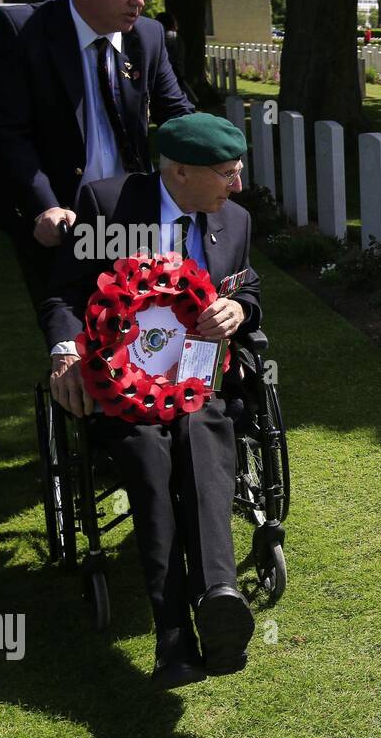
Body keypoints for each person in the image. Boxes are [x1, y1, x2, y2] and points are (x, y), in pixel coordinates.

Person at [41, 114, 260, 689]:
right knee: (146, 450)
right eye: (227, 174)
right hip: (125, 385)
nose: (237, 186)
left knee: (204, 426)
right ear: (180, 172)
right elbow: (64, 290)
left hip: (198, 380)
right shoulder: (109, 205)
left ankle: (218, 594)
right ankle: (171, 631)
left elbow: (247, 285)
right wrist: (67, 351)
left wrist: (240, 311)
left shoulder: (232, 220)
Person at [0, 0, 192, 320]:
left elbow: (177, 112)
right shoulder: (23, 30)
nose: (140, 1)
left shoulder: (148, 36)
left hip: (129, 212)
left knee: (138, 326)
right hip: (59, 215)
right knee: (70, 335)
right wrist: (44, 206)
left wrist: (216, 160)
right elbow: (7, 132)